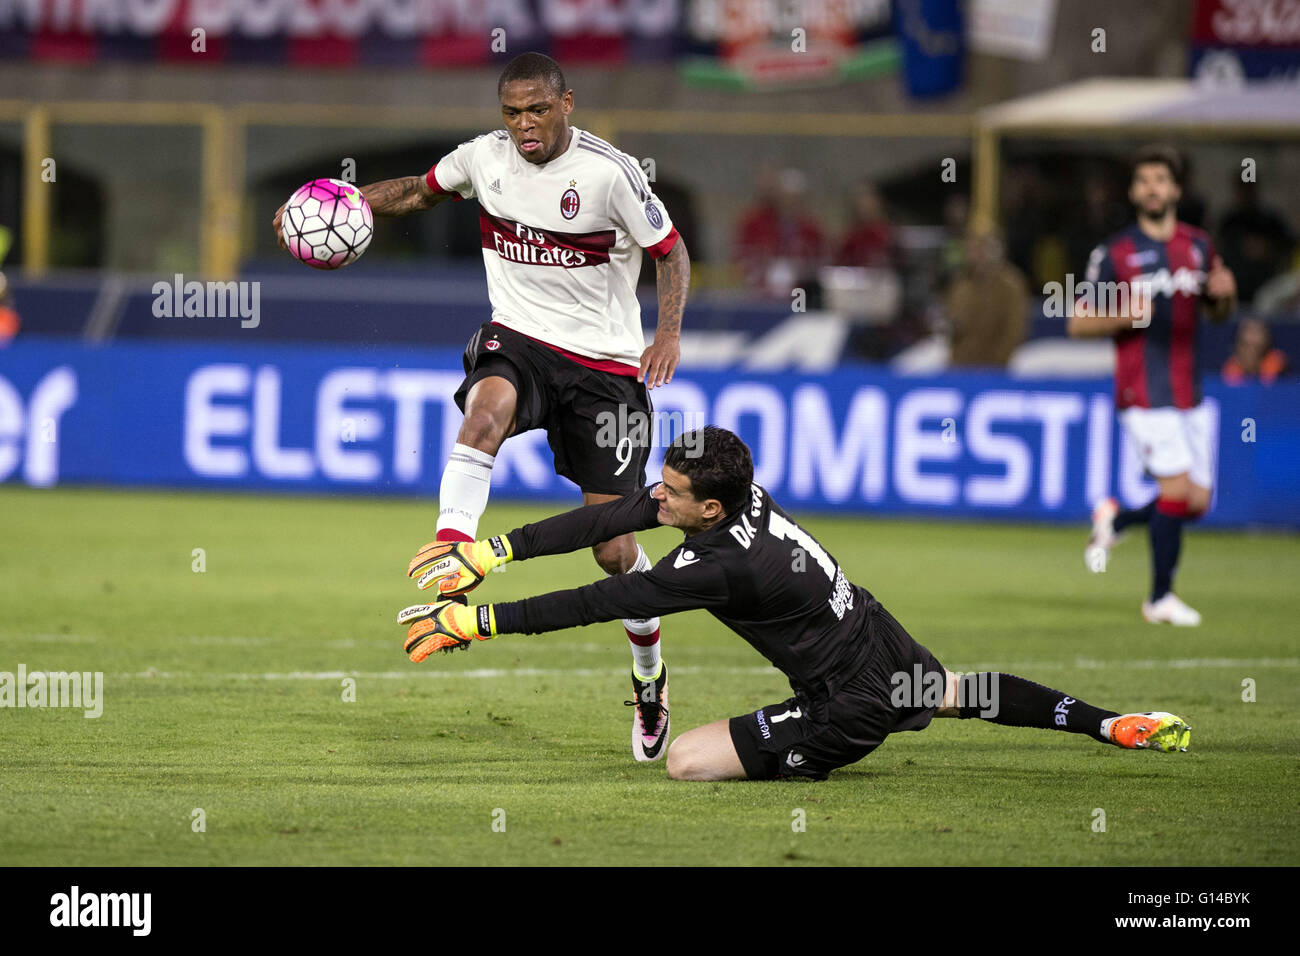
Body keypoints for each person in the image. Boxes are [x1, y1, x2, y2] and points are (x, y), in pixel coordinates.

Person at [274, 52, 691, 762]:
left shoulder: (611, 174)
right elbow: (416, 191)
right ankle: (450, 545)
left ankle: (649, 676)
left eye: (536, 110)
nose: (523, 125)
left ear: (567, 103)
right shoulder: (483, 159)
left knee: (614, 549)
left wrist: (668, 336)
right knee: (484, 410)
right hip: (522, 340)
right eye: (511, 113)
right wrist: (335, 204)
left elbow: (672, 253)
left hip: (605, 371)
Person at [396, 426, 1191, 782]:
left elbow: (609, 597)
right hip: (875, 633)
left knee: (686, 763)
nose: (657, 499)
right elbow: (611, 517)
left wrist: (482, 621)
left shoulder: (719, 568)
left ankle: (826, 740)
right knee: (956, 693)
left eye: (670, 494)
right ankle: (1110, 723)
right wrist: (498, 550)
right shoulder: (733, 494)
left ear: (708, 508)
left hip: (845, 702)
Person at [1068, 145, 1236, 627]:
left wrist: (1224, 297)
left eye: (1161, 179)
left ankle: (1115, 522)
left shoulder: (1199, 246)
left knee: (1196, 501)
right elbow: (1078, 322)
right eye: (1143, 180)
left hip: (1189, 390)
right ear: (1134, 192)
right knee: (1177, 489)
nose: (1152, 188)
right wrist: (1125, 314)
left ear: (1176, 189)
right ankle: (1159, 597)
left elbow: (1217, 311)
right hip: (1141, 389)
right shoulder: (1115, 253)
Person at [944, 218, 1029, 368]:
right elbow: (952, 325)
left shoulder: (1010, 283)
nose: (973, 251)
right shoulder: (960, 283)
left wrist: (997, 364)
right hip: (959, 368)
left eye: (980, 245)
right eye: (970, 244)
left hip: (993, 371)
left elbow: (1015, 330)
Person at [1222, 317, 1288, 385]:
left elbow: (1269, 387)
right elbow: (1233, 389)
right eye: (1248, 330)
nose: (1252, 338)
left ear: (1267, 339)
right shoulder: (1232, 366)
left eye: (1257, 331)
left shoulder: (1277, 362)